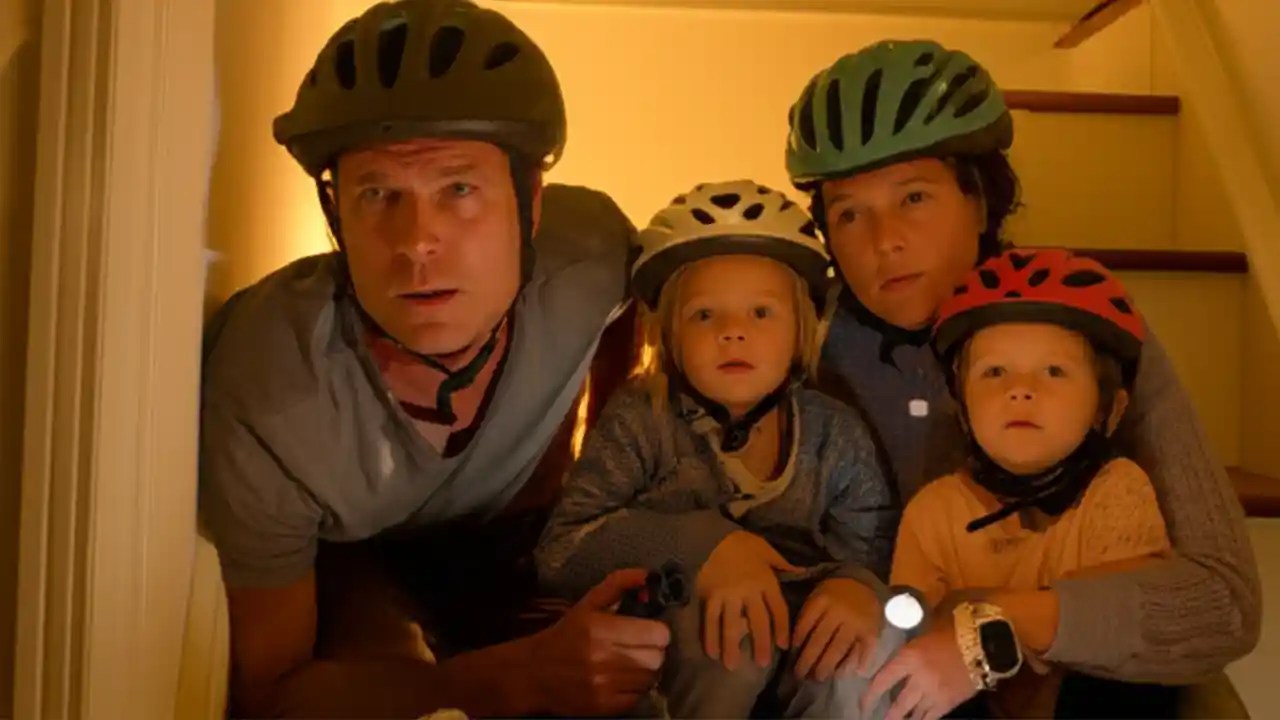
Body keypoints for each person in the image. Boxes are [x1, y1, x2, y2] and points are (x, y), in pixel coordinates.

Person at [198, 1, 668, 717]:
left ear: (531, 206)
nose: (418, 241)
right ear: (335, 217)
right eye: (378, 193)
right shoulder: (270, 393)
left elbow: (623, 309)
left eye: (459, 189)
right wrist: (507, 679)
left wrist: (583, 465)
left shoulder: (589, 251)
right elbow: (271, 694)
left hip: (513, 533)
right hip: (357, 558)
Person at [780, 39, 1260, 719]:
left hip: (1072, 663)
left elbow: (1221, 603)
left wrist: (999, 621)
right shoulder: (798, 344)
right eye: (849, 211)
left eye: (913, 196)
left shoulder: (1083, 325)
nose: (882, 239)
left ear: (980, 200)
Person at [536, 180, 900, 718]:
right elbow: (561, 550)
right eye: (705, 315)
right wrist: (699, 544)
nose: (733, 332)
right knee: (728, 641)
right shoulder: (643, 417)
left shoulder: (834, 434)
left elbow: (876, 552)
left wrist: (857, 587)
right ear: (671, 334)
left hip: (802, 642)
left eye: (761, 313)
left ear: (801, 329)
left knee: (865, 647)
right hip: (687, 655)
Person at [892, 248, 1178, 718]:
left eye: (1055, 371)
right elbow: (919, 627)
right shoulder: (934, 511)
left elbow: (1118, 619)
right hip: (973, 699)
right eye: (994, 372)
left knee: (1129, 682)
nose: (1019, 389)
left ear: (1110, 409)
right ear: (962, 410)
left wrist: (979, 609)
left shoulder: (1115, 490)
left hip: (1080, 697)